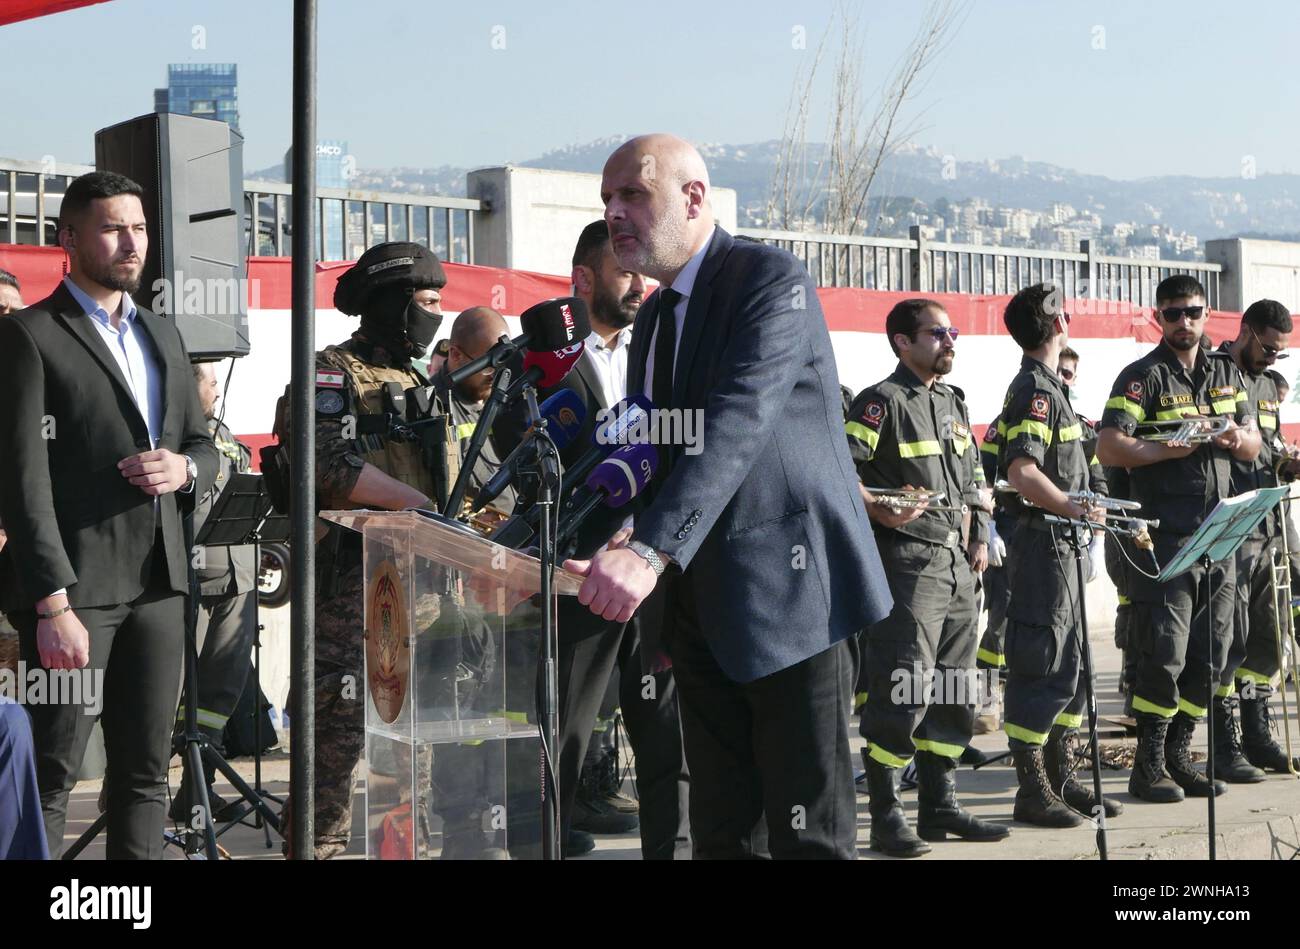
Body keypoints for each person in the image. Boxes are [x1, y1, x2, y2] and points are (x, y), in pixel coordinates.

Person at [565, 134, 892, 859]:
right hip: (699, 614)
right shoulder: (651, 320)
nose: (616, 213)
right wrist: (607, 536)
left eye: (633, 195)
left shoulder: (768, 281)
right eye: (607, 200)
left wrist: (650, 549)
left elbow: (736, 424)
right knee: (721, 835)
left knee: (809, 836)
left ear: (692, 197)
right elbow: (655, 448)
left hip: (790, 599)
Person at [0, 170, 218, 858]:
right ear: (68, 238)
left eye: (140, 227)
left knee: (145, 776)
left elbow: (202, 447)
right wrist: (50, 601)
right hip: (76, 593)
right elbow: (22, 482)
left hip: (161, 584)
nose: (132, 242)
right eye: (112, 227)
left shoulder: (163, 333)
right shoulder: (30, 336)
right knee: (50, 774)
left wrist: (186, 470)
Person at [278, 241, 447, 858]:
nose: (435, 314)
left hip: (417, 599)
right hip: (349, 596)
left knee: (406, 768)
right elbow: (322, 461)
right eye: (427, 302)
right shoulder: (331, 372)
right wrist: (413, 505)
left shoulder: (420, 382)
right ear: (394, 303)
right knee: (333, 760)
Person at [534, 219, 689, 859]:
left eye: (642, 272)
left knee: (665, 727)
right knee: (565, 727)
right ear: (583, 278)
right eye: (623, 270)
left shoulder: (655, 349)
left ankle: (673, 847)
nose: (638, 284)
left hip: (652, 565)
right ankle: (546, 838)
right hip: (578, 573)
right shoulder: (543, 361)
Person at [845, 298, 1007, 857]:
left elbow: (976, 476)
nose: (950, 341)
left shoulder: (952, 401)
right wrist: (876, 507)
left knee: (955, 687)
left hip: (959, 565)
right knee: (905, 685)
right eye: (937, 333)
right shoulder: (879, 402)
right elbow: (841, 469)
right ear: (902, 342)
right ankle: (888, 815)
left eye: (953, 332)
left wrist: (981, 534)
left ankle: (940, 806)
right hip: (908, 564)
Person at [1097, 274, 1260, 804]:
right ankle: (1148, 766)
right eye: (1172, 313)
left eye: (1191, 311)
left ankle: (1179, 756)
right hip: (1165, 538)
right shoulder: (1142, 377)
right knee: (1164, 651)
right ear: (1158, 318)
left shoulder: (1226, 372)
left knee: (1214, 651)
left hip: (1221, 532)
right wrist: (1169, 448)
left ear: (1207, 313)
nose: (1183, 321)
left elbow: (1254, 441)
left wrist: (1236, 437)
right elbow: (1109, 447)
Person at [993, 284, 1124, 826]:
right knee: (1040, 664)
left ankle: (1063, 780)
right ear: (1056, 323)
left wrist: (1084, 508)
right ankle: (1033, 789)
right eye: (1063, 311)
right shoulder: (1035, 391)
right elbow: (1022, 472)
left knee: (1073, 667)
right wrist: (1073, 507)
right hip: (1042, 548)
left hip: (1063, 550)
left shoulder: (1053, 389)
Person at [170, 362, 259, 823]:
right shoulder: (170, 436)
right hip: (189, 583)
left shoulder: (224, 434)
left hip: (238, 580)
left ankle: (197, 790)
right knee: (172, 689)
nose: (216, 388)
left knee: (221, 691)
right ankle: (125, 787)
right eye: (208, 379)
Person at [1215, 300, 1299, 775]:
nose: (1272, 358)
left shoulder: (1269, 384)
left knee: (1269, 632)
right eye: (1268, 348)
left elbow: (1270, 449)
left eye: (1280, 353)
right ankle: (1225, 745)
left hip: (1271, 518)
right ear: (1245, 331)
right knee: (1229, 635)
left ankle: (1257, 731)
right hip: (1231, 522)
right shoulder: (1214, 372)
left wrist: (1289, 463)